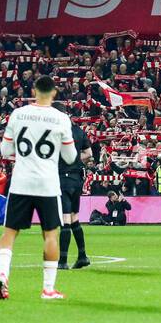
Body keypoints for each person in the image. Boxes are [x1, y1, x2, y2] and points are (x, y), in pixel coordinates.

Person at [0, 75, 78, 301]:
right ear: (54, 93)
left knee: (9, 232)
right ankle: (48, 289)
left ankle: (2, 275)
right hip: (47, 185)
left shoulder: (18, 114)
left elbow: (5, 151)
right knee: (50, 235)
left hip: (21, 182)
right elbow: (70, 157)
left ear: (34, 90)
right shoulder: (61, 118)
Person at [57, 113, 93, 270]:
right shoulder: (79, 131)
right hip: (77, 178)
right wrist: (75, 160)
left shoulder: (57, 133)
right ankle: (82, 256)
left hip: (62, 178)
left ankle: (62, 261)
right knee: (74, 218)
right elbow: (89, 154)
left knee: (65, 219)